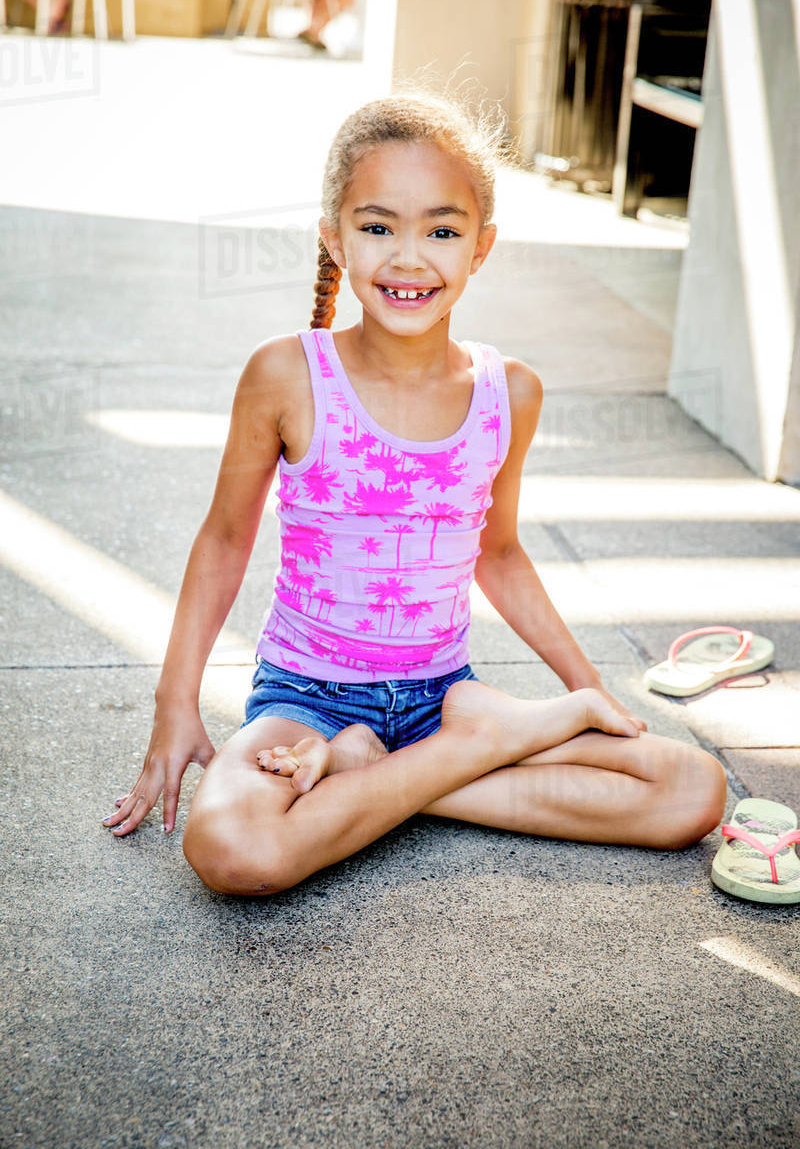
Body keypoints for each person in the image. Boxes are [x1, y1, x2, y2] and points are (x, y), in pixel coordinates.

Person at [103, 92, 726, 895]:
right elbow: (225, 541)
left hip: (444, 695)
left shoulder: (511, 392)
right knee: (232, 851)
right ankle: (454, 757)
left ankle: (372, 778)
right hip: (308, 701)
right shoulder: (287, 375)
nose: (408, 257)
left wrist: (587, 691)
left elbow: (498, 552)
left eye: (441, 230)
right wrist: (175, 702)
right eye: (376, 227)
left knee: (688, 791)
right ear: (334, 237)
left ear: (481, 247)